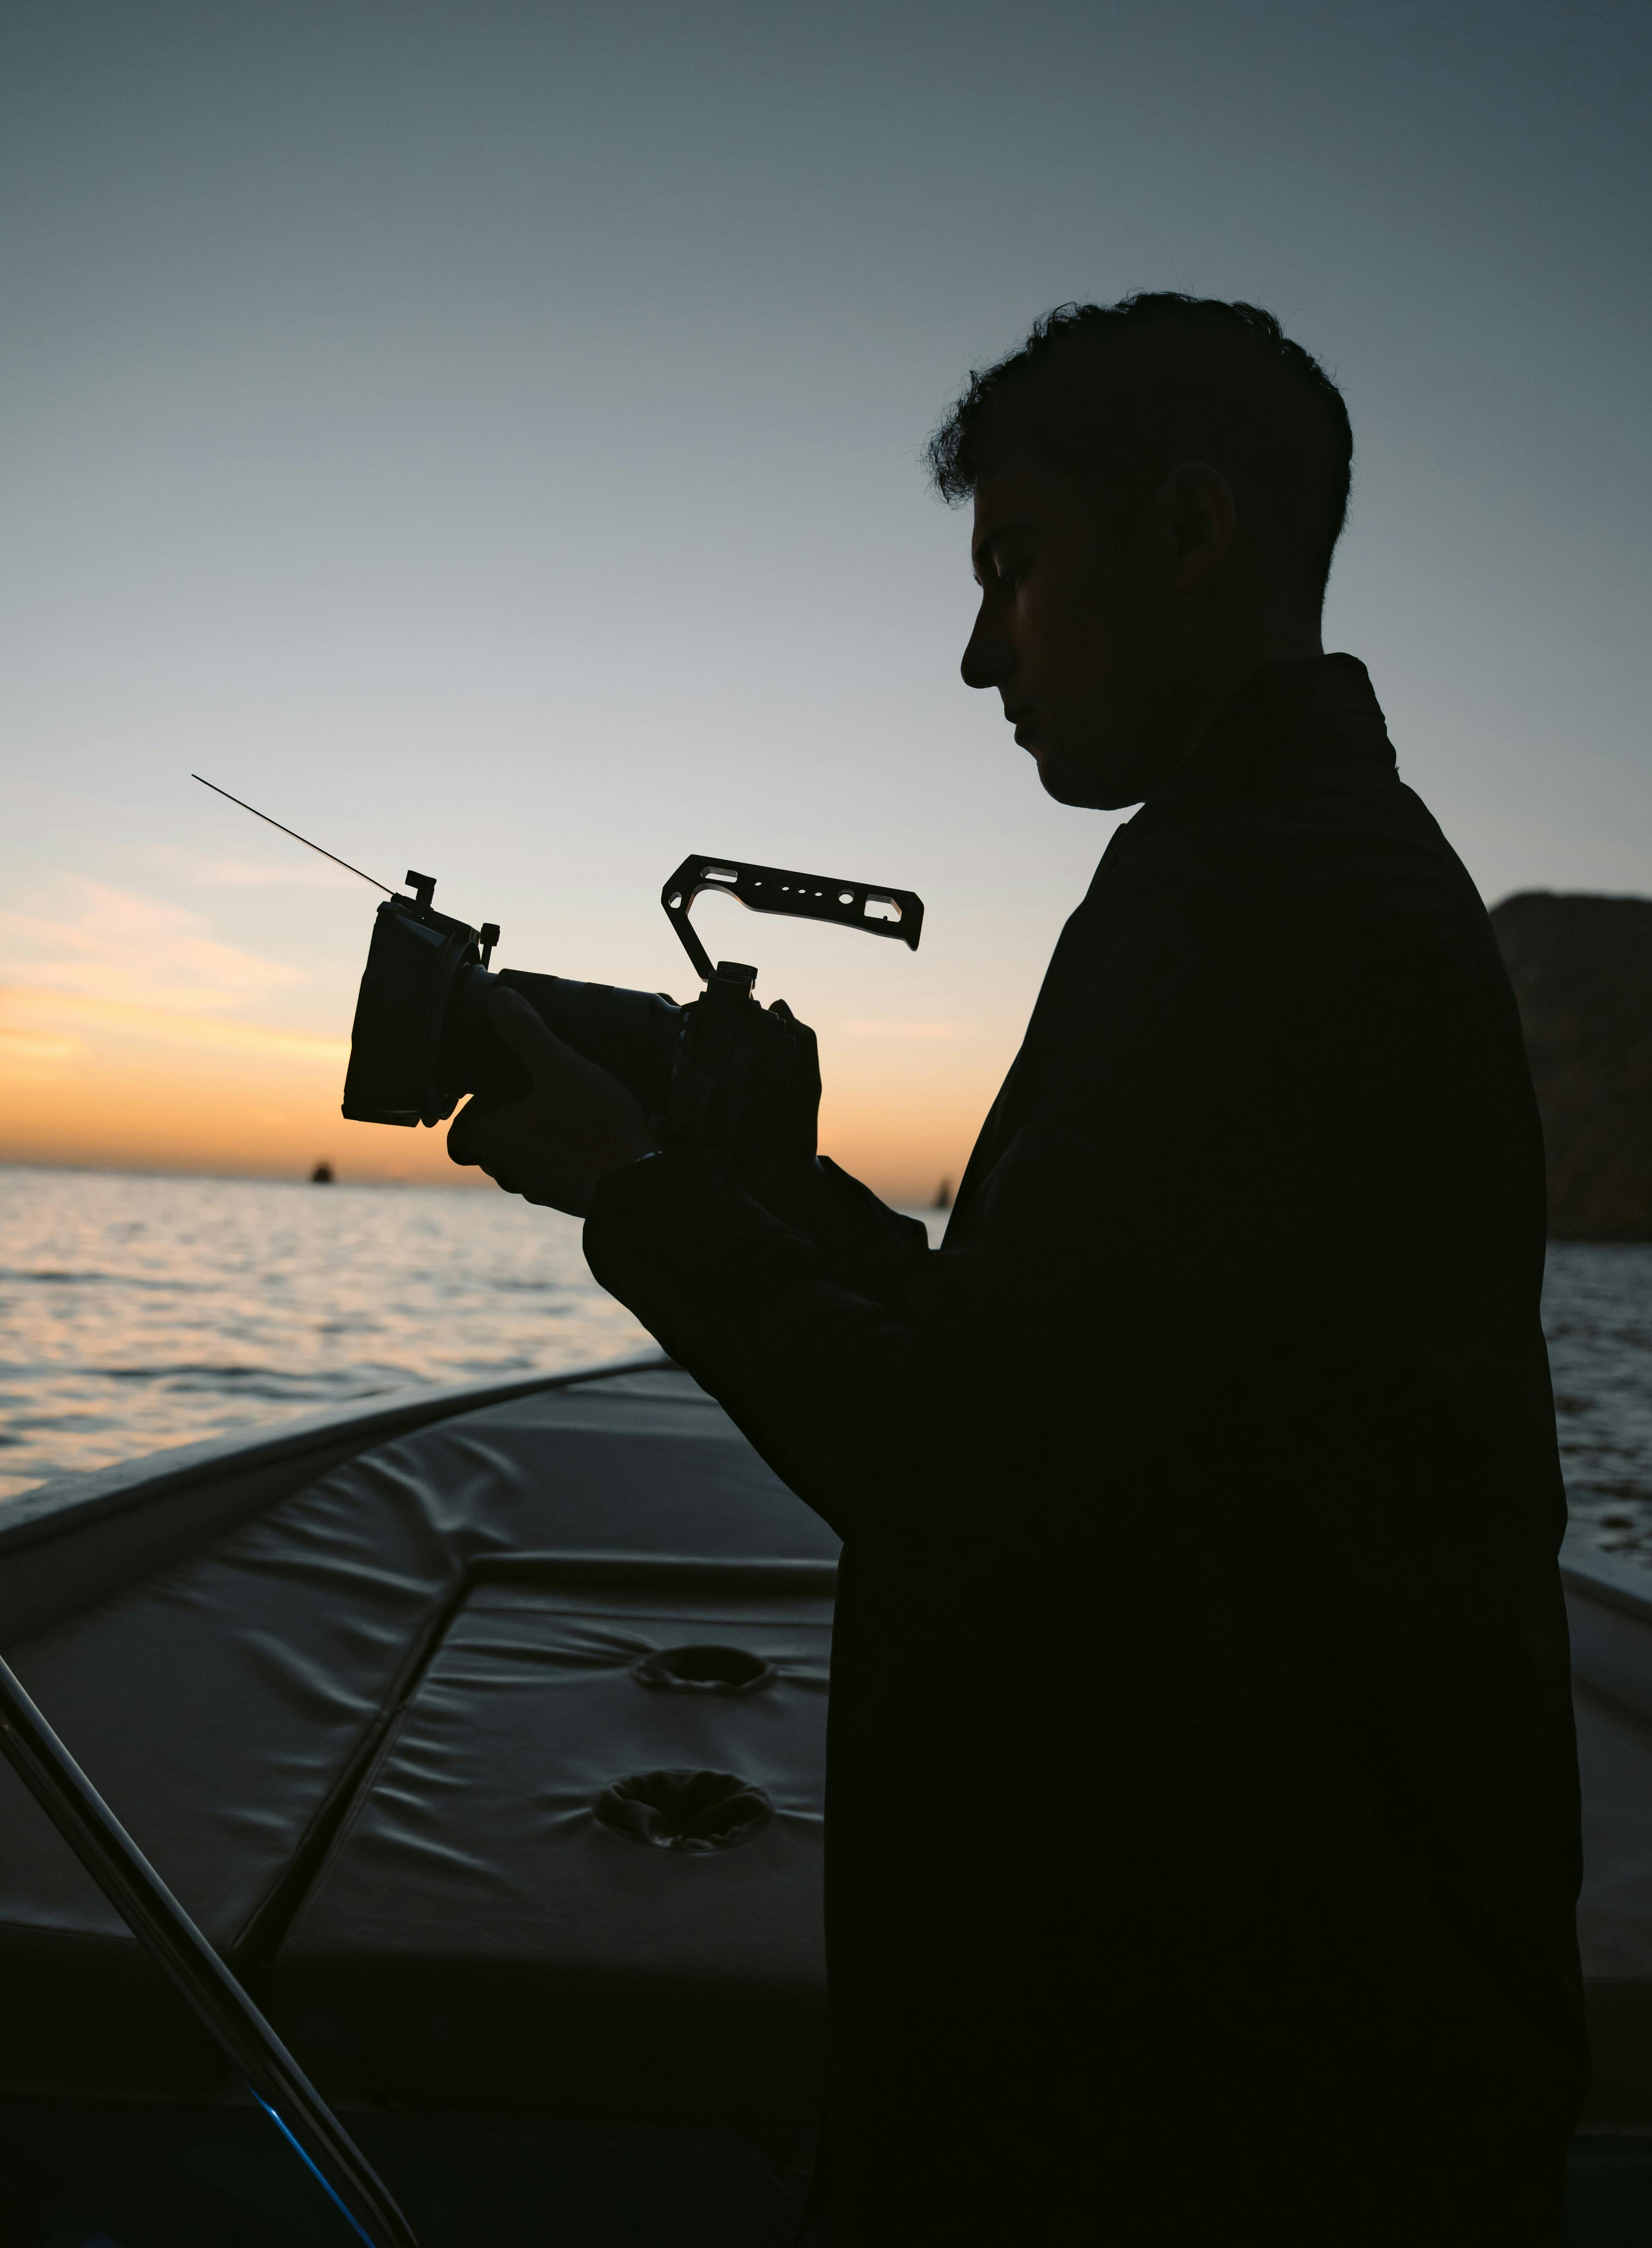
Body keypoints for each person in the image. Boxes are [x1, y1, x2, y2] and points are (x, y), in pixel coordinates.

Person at [451, 293, 1588, 2244]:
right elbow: (1073, 1380)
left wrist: (633, 1196)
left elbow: (978, 1482)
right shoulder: (1280, 867)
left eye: (1012, 567)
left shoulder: (1272, 908)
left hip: (1198, 2093)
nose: (979, 652)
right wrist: (776, 1194)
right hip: (1258, 2024)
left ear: (1189, 528)